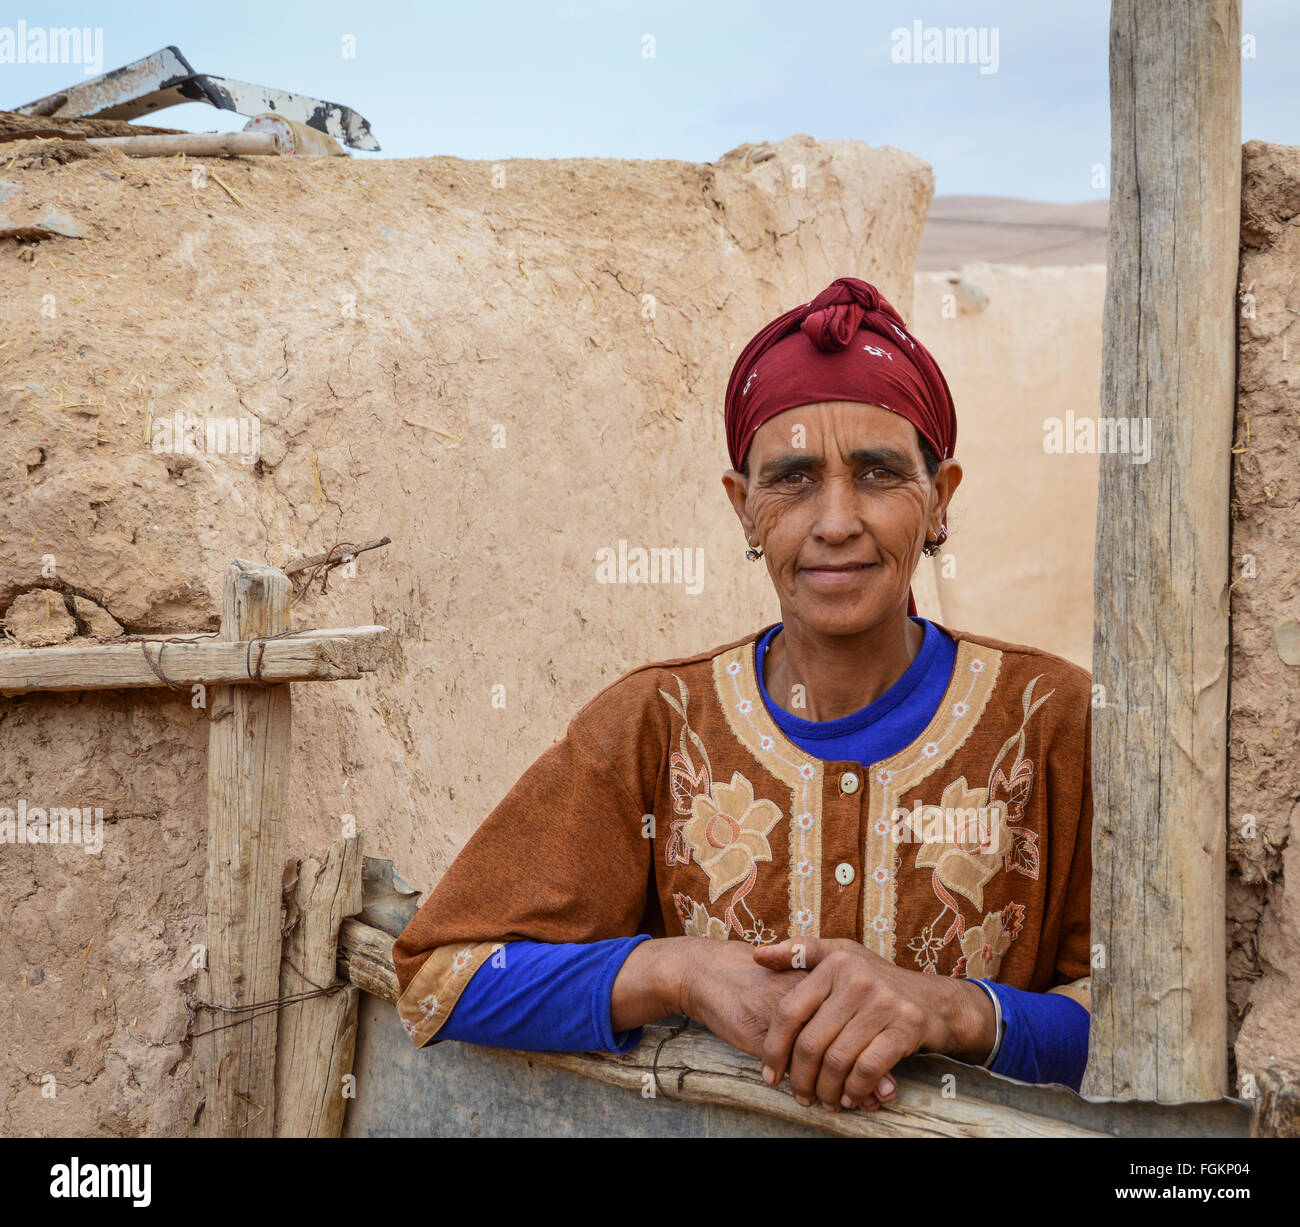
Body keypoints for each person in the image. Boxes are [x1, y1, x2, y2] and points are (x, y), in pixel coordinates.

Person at [393, 276, 1093, 1113]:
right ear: (743, 509)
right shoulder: (656, 723)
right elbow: (441, 976)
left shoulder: (1054, 721)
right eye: (793, 479)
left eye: (878, 473)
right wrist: (674, 969)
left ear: (939, 501)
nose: (835, 521)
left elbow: (1152, 1016)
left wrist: (957, 1010)